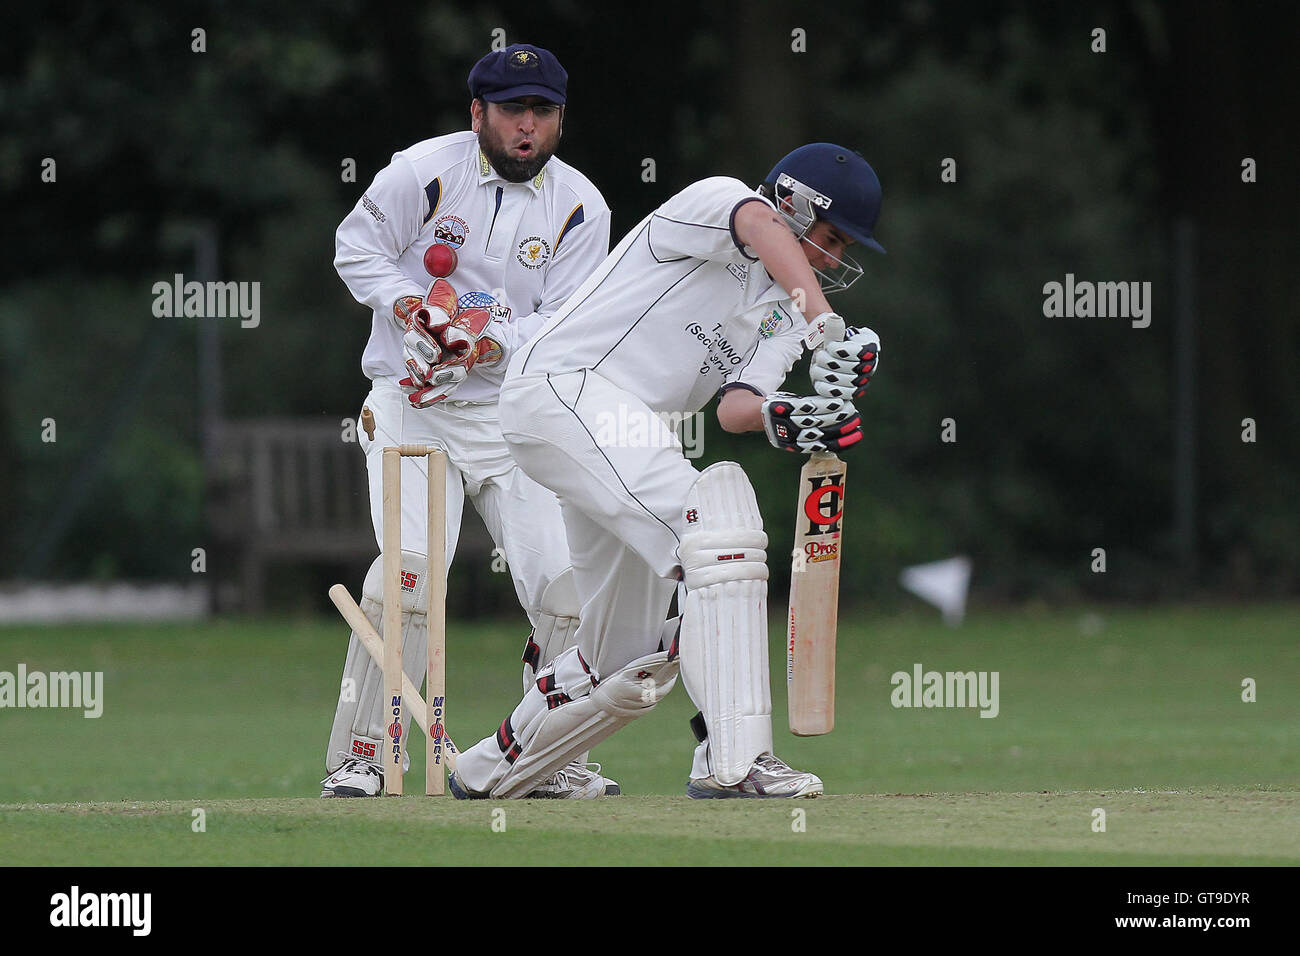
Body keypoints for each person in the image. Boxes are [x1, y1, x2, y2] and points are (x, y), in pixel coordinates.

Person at [446, 142, 885, 799]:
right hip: (564, 387)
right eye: (830, 239)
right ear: (794, 205)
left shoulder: (788, 309)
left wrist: (791, 418)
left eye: (845, 249)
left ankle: (490, 770)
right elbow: (759, 230)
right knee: (716, 533)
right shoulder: (721, 201)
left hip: (618, 433)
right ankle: (733, 759)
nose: (833, 259)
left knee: (622, 656)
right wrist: (827, 324)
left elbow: (738, 406)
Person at [321, 43, 619, 798]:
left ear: (559, 119)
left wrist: (486, 344)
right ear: (477, 112)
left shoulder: (580, 206)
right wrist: (410, 306)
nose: (528, 127)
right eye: (513, 110)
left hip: (515, 414)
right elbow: (356, 248)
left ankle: (549, 757)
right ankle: (363, 757)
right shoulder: (423, 172)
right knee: (408, 577)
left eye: (543, 112)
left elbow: (568, 324)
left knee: (566, 591)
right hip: (412, 404)